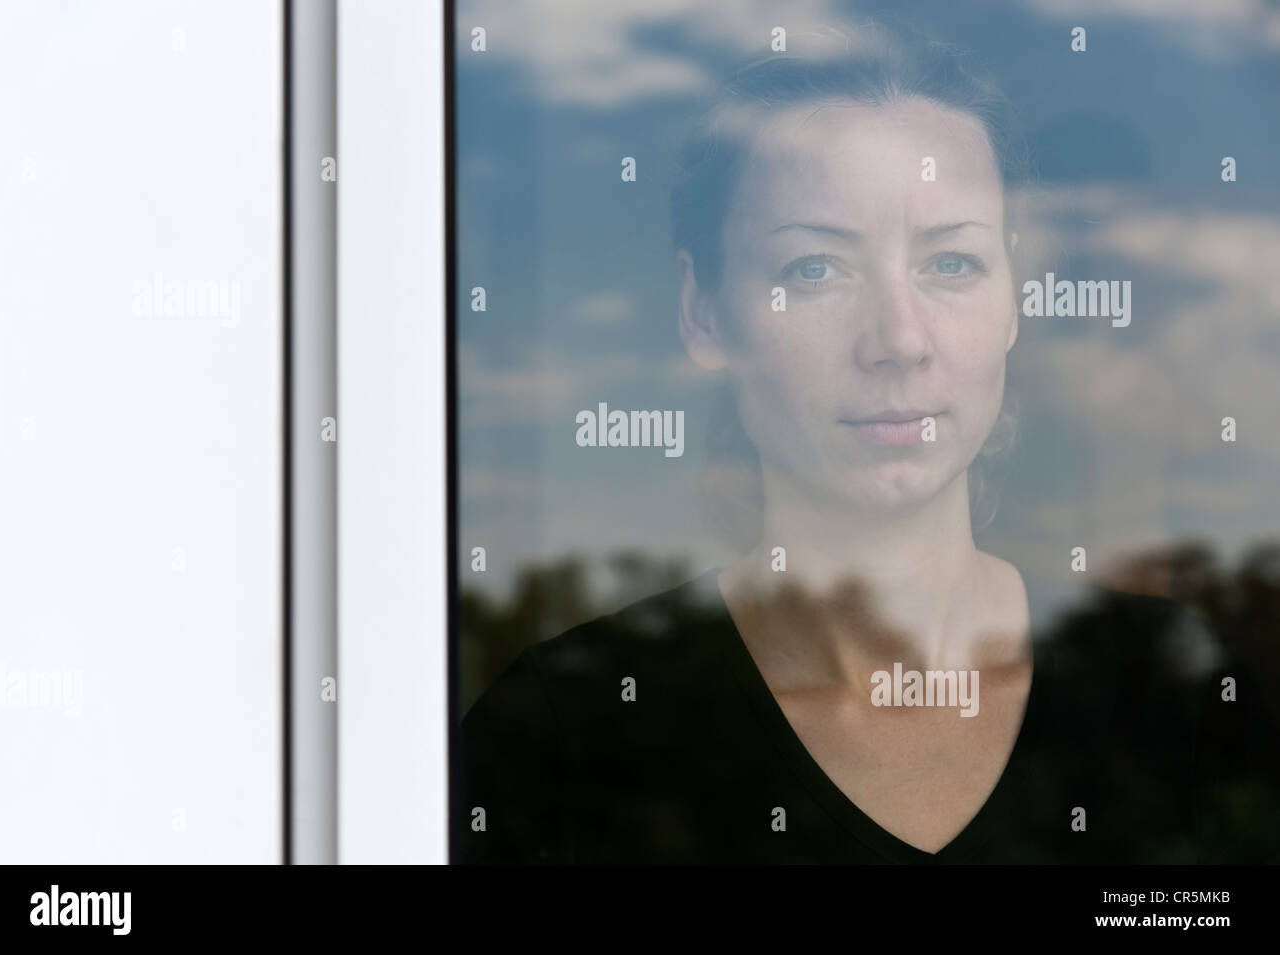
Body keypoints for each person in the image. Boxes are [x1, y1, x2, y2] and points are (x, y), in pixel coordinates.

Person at [456, 25, 1249, 864]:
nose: (899, 340)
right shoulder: (562, 736)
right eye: (814, 269)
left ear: (1015, 300)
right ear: (703, 311)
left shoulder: (1184, 698)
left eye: (951, 263)